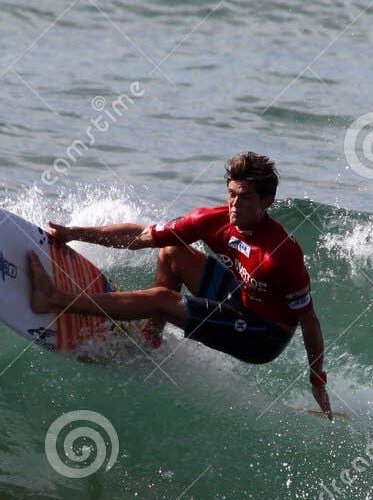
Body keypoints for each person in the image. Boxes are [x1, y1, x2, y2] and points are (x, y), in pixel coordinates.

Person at [26, 152, 333, 418]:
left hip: (263, 335)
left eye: (246, 197)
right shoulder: (214, 220)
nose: (234, 204)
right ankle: (151, 337)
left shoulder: (281, 255)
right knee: (171, 251)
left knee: (161, 299)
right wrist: (75, 233)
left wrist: (317, 380)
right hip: (240, 299)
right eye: (231, 193)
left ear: (267, 202)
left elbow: (309, 320)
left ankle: (53, 299)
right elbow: (142, 236)